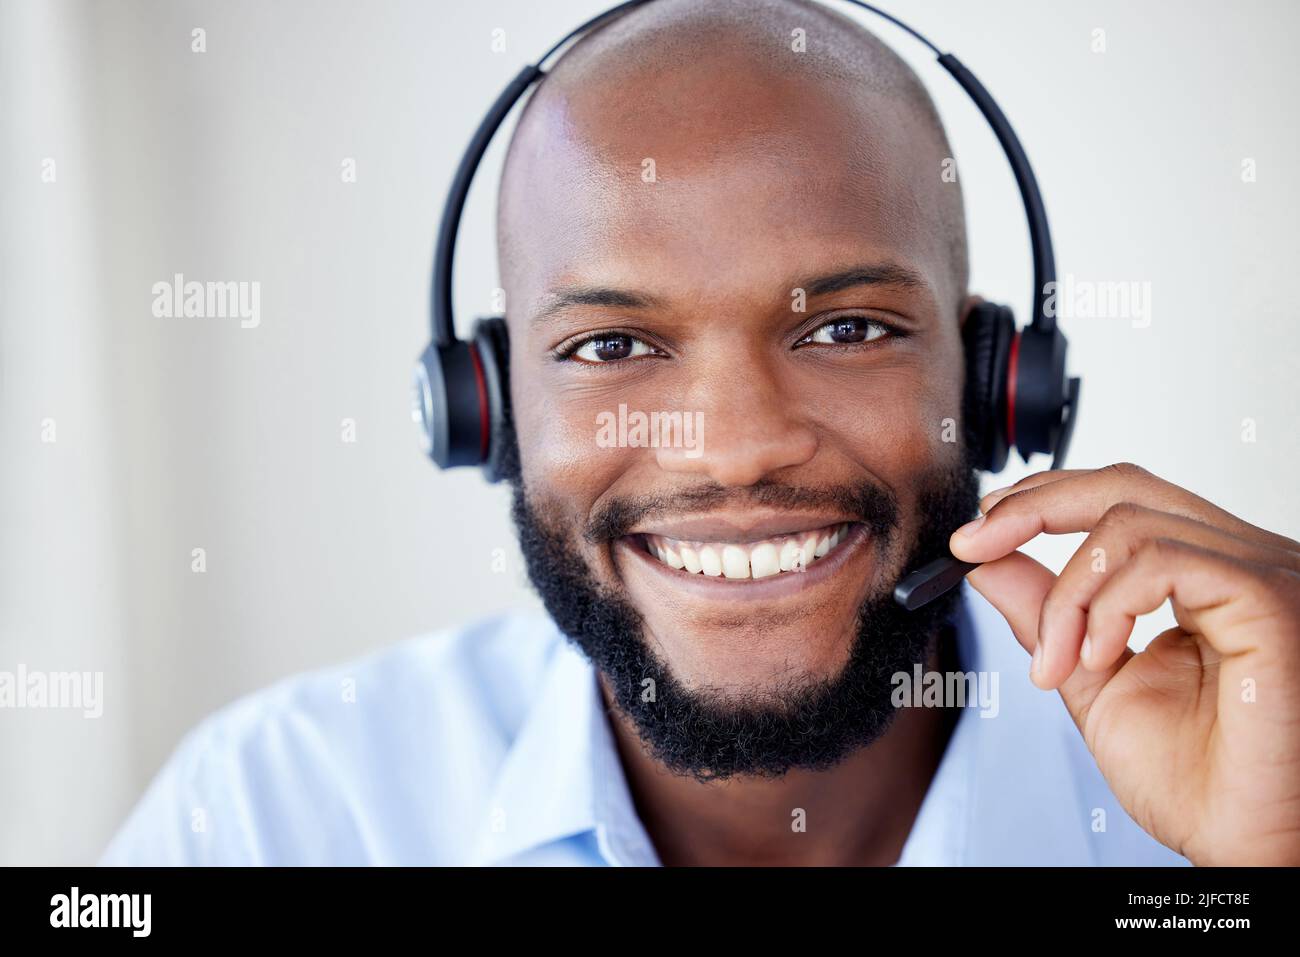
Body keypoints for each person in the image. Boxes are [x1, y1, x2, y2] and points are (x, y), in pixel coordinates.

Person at [100, 0, 1300, 866]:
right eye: (610, 346)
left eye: (845, 329)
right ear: (484, 404)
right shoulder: (273, 814)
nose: (733, 448)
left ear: (998, 385)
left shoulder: (1231, 776)